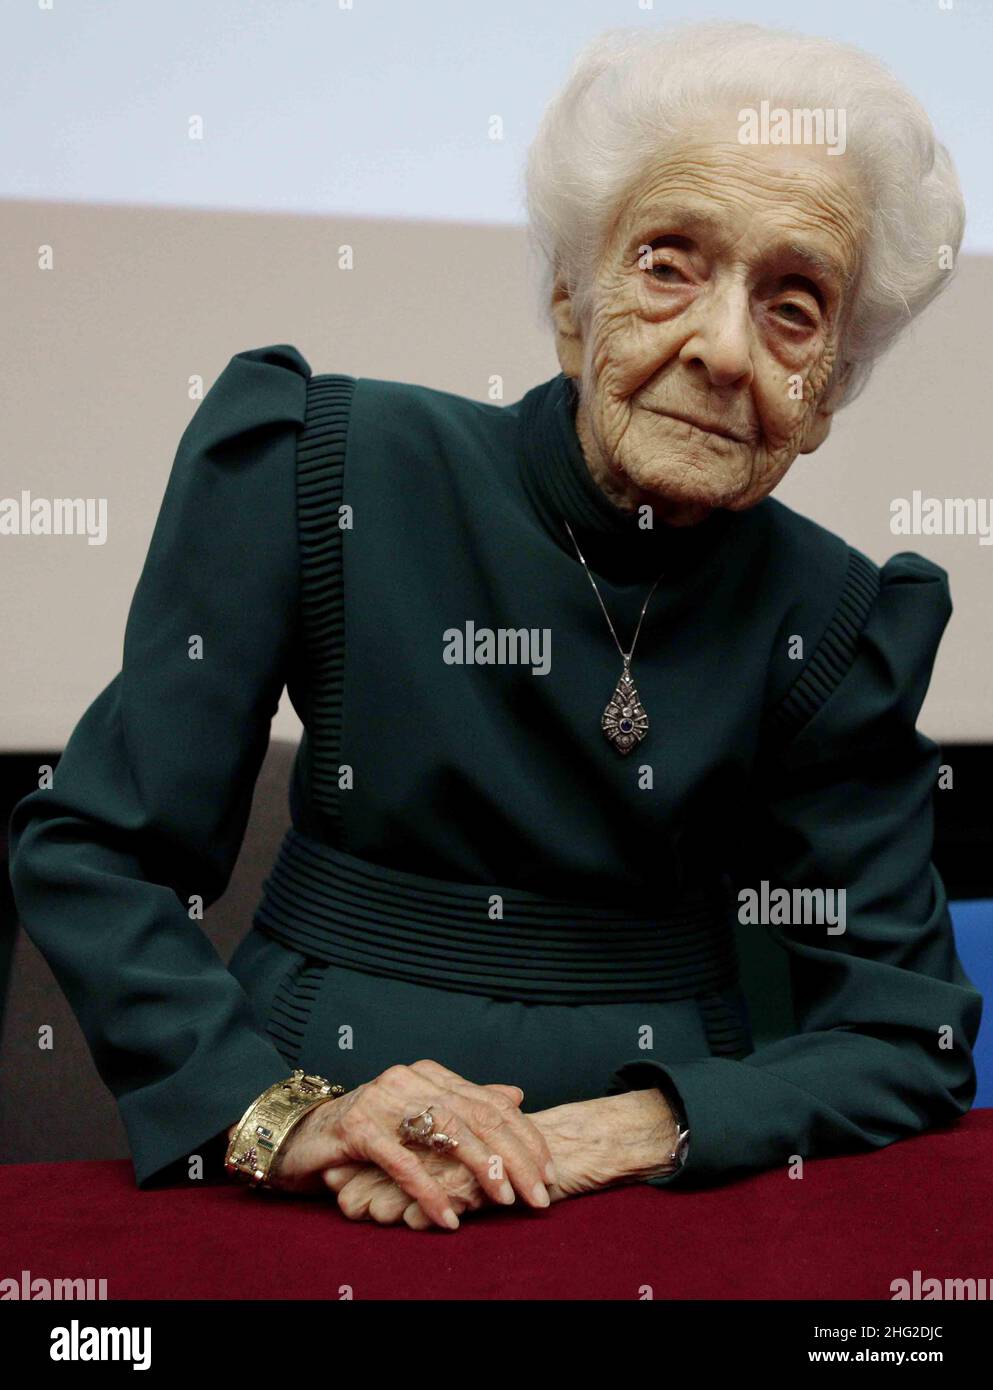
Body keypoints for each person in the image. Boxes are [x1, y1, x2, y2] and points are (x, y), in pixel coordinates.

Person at [8, 21, 982, 1232]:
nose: (724, 351)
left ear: (828, 389)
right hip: (314, 1166)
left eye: (793, 306)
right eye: (670, 265)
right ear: (572, 303)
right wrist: (278, 1112)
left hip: (664, 1199)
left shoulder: (839, 618)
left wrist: (630, 1129)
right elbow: (98, 850)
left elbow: (908, 1032)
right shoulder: (320, 464)